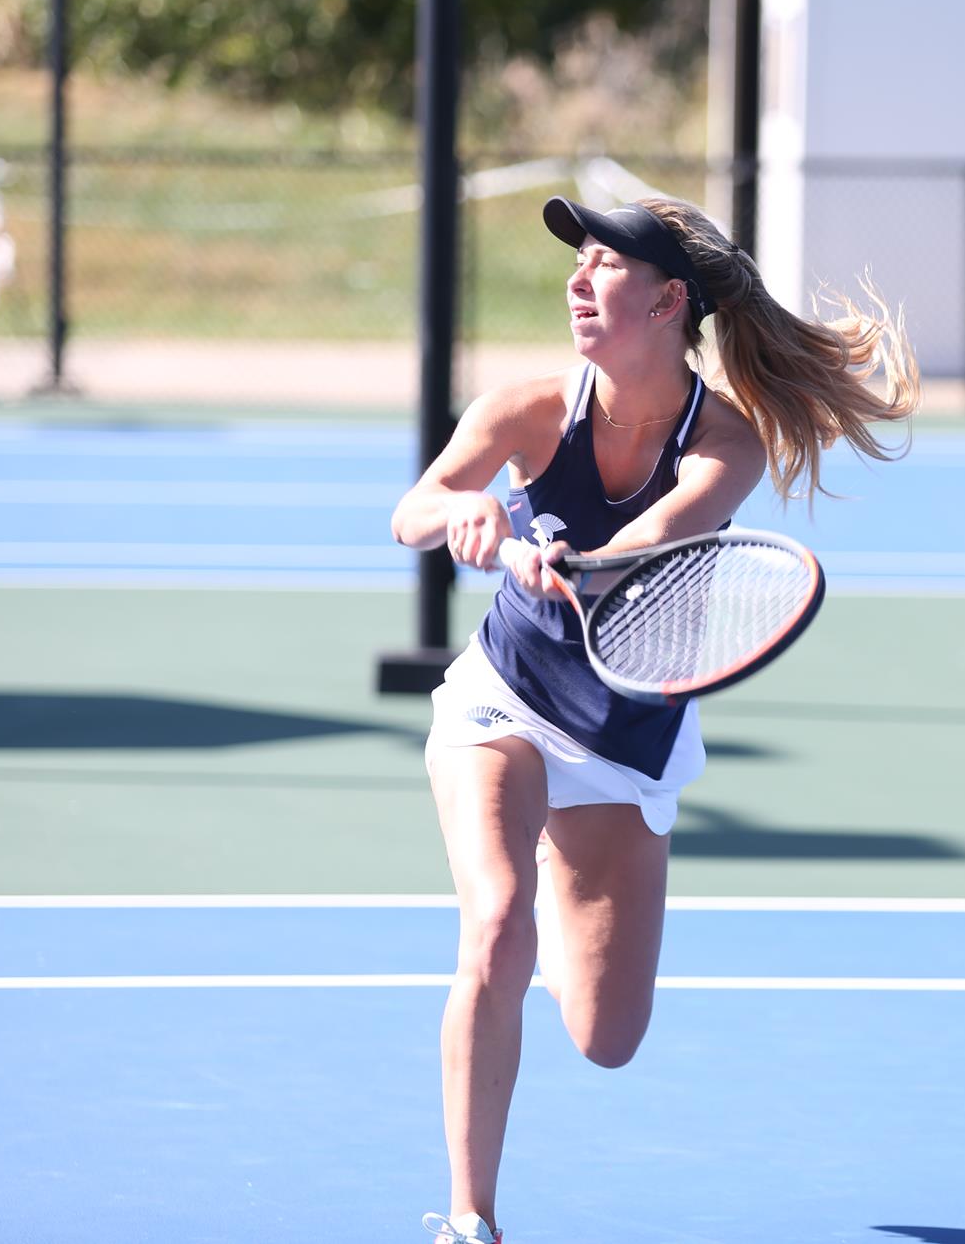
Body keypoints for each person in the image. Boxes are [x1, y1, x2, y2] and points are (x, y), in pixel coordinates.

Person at [391, 194, 919, 1244]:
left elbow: (654, 536)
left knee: (605, 1035)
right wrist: (470, 515)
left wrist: (570, 557)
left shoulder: (725, 443)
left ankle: (556, 856)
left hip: (625, 736)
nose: (576, 281)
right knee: (493, 927)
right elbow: (411, 509)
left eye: (600, 263)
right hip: (507, 699)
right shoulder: (526, 409)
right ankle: (468, 1219)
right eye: (573, 263)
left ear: (669, 300)